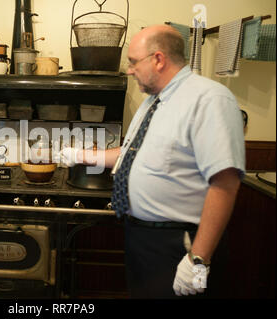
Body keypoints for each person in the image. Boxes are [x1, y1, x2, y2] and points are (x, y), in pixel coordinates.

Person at [60, 24, 245, 298]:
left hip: (178, 242)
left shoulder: (209, 99)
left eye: (134, 62)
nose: (130, 70)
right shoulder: (152, 102)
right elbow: (131, 154)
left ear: (158, 59)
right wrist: (80, 155)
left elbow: (225, 183)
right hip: (141, 236)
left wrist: (198, 259)